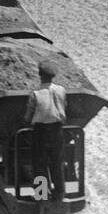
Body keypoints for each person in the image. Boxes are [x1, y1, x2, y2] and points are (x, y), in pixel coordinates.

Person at [25, 59, 68, 203]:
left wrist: (26, 121)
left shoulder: (36, 94)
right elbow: (64, 105)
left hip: (41, 131)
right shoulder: (61, 90)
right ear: (53, 76)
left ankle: (42, 195)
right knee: (57, 162)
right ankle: (60, 194)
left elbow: (28, 115)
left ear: (40, 75)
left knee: (40, 164)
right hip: (57, 130)